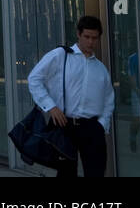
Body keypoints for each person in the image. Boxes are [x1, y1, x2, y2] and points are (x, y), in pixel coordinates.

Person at [26, 15, 115, 178]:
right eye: (87, 37)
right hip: (65, 124)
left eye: (94, 38)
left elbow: (109, 99)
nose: (90, 42)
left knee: (96, 172)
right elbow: (34, 78)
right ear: (78, 34)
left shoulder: (100, 69)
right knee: (66, 173)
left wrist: (102, 124)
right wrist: (51, 106)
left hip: (92, 127)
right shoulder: (61, 55)